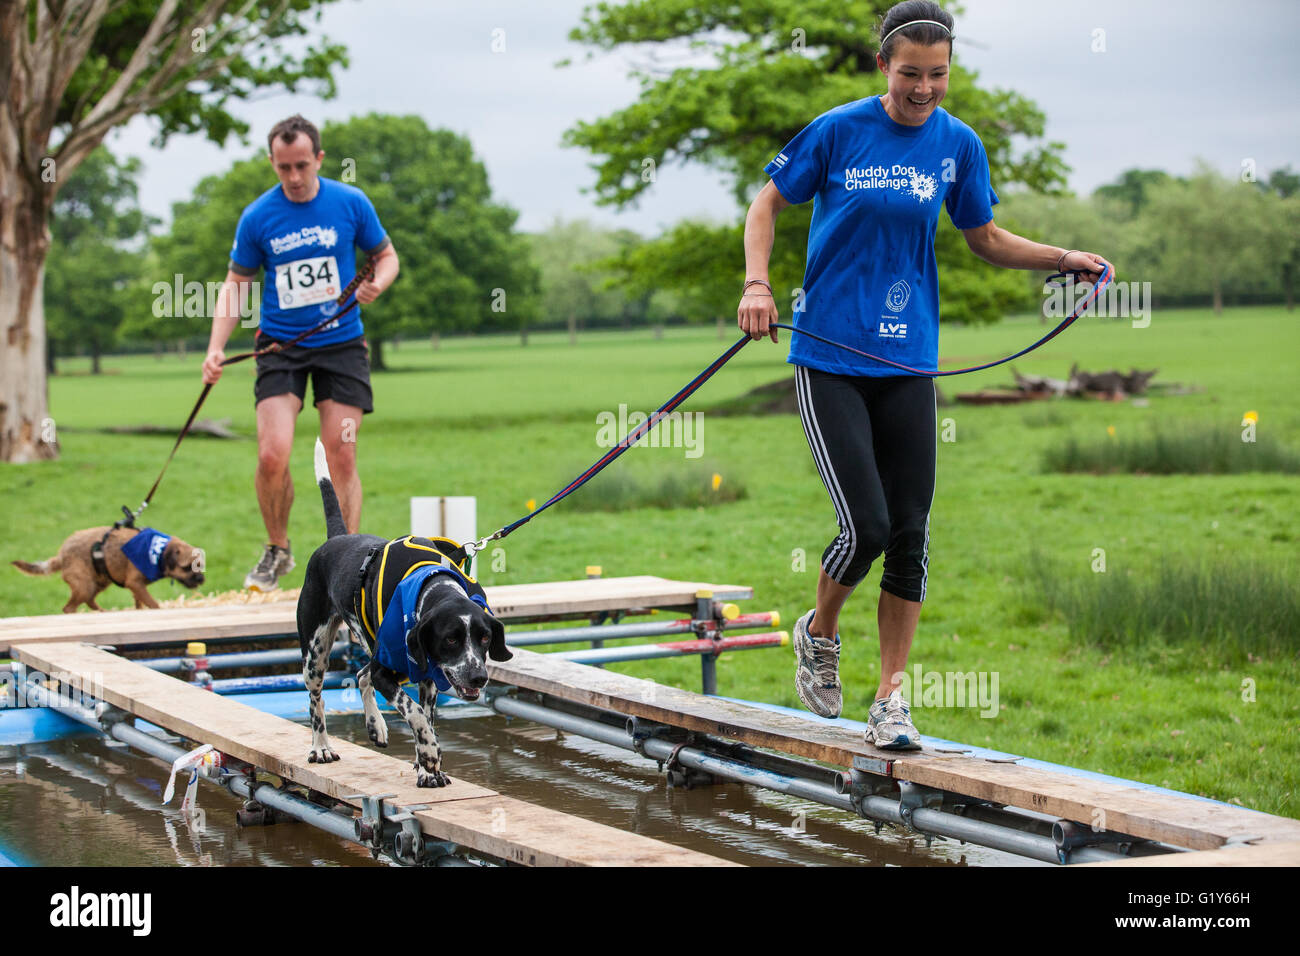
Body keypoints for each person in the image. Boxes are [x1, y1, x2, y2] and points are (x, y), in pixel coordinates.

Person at [737, 1, 1113, 749]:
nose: (924, 88)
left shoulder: (958, 145)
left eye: (937, 75)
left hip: (909, 360)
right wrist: (757, 284)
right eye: (910, 73)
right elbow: (768, 203)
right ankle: (819, 630)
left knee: (910, 532)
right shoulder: (840, 129)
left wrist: (1064, 257)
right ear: (885, 65)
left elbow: (986, 236)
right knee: (867, 526)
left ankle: (890, 700)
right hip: (829, 356)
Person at [202, 115, 400, 591]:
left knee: (342, 453)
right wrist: (214, 348)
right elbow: (236, 285)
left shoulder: (350, 203)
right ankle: (278, 550)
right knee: (273, 454)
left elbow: (387, 255)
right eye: (283, 167)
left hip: (342, 346)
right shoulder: (257, 217)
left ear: (319, 160)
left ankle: (349, 560)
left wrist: (378, 283)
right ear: (272, 162)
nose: (293, 177)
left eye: (302, 166)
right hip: (280, 348)